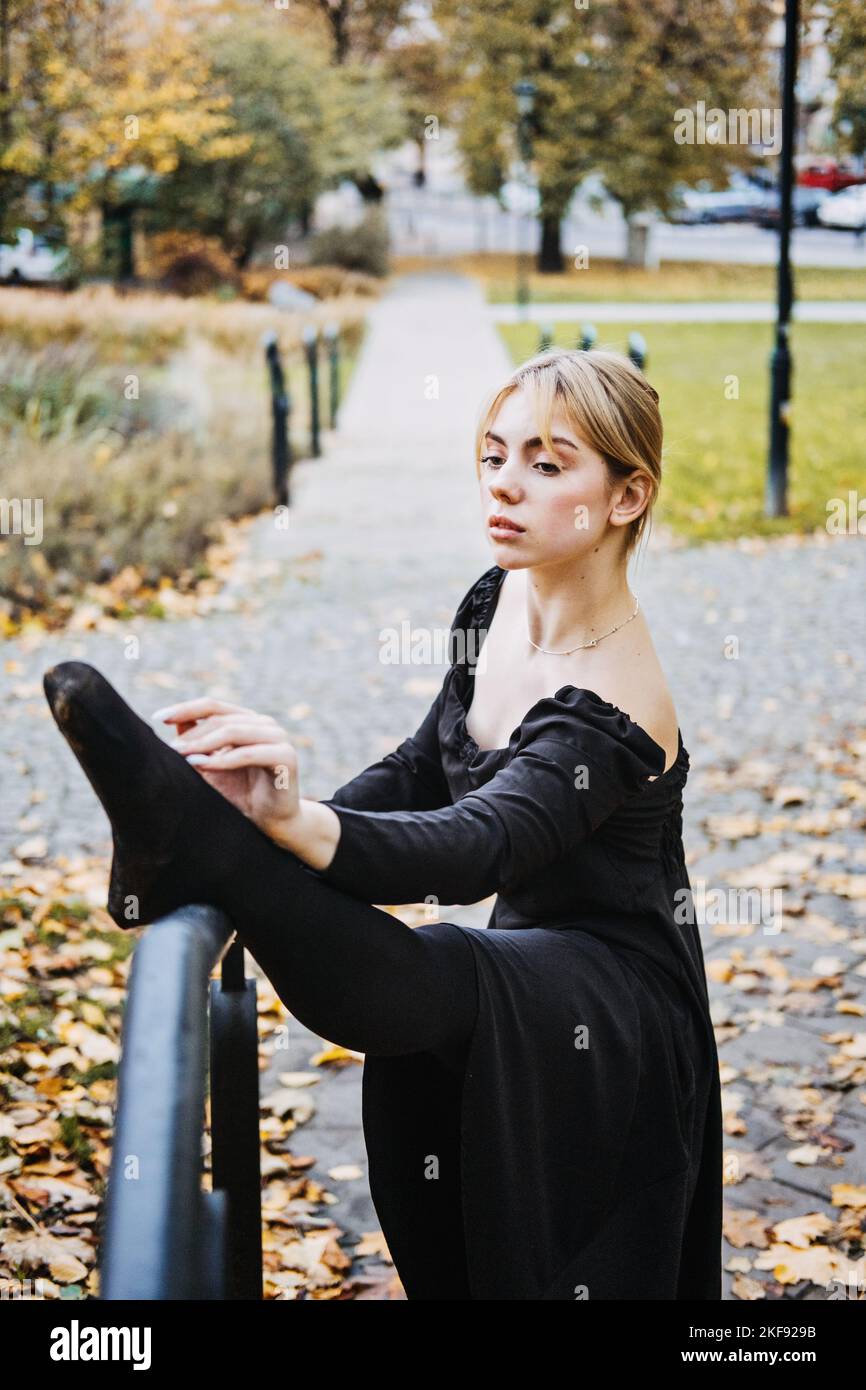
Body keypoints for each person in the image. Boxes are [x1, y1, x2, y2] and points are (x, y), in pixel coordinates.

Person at [43, 346, 722, 1301]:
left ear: (624, 496)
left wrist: (292, 820)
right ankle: (209, 846)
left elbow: (480, 842)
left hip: (622, 999)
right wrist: (280, 819)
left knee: (432, 959)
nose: (505, 484)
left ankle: (205, 854)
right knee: (429, 995)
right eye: (493, 455)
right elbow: (421, 768)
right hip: (532, 958)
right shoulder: (498, 600)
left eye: (547, 463)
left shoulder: (617, 693)